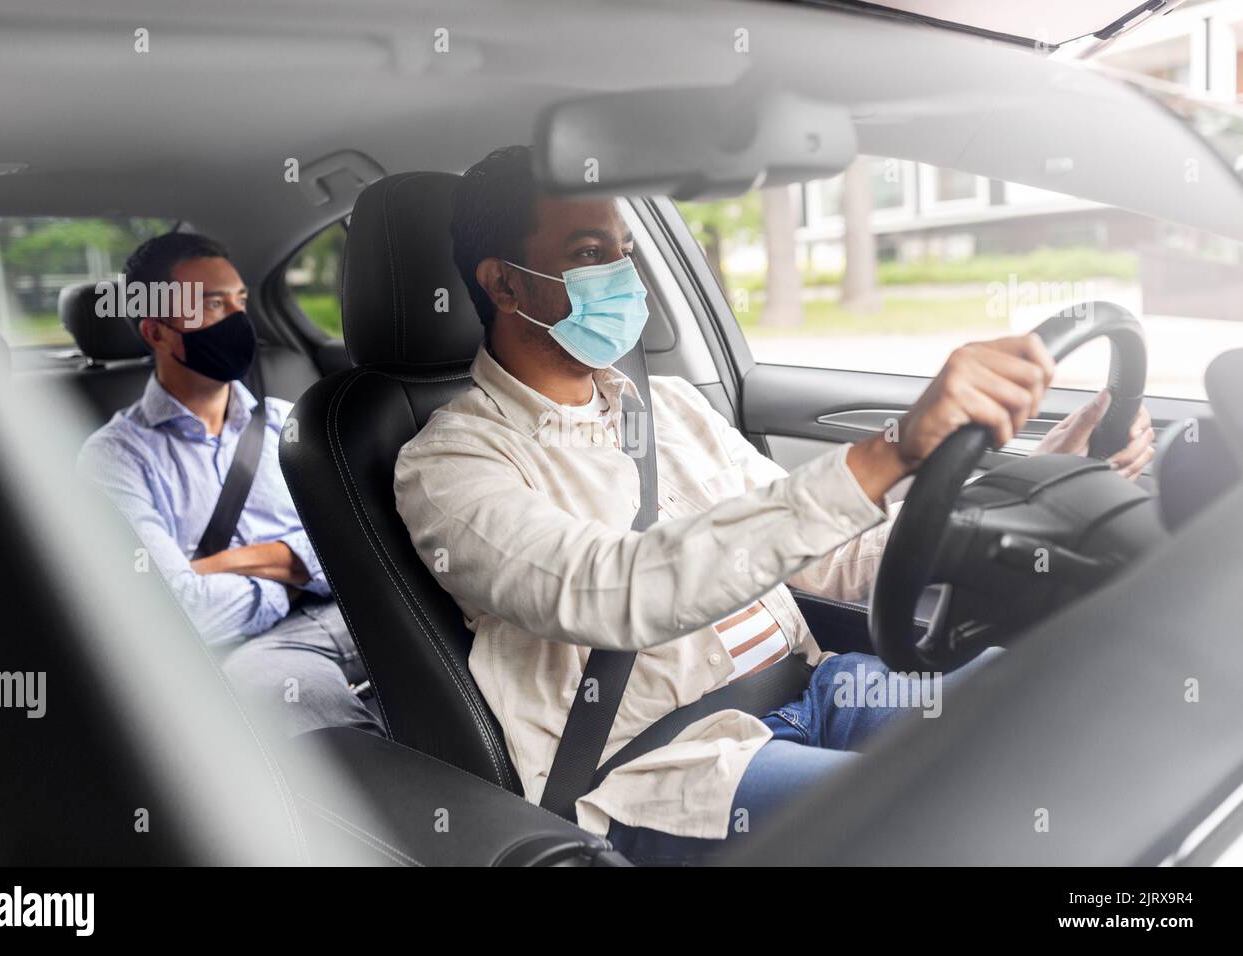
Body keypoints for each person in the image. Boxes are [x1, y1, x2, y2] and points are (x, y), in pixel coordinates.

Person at [392, 145, 1156, 865]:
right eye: (590, 254)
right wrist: (886, 453)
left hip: (815, 685)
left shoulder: (671, 408)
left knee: (1057, 694)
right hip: (668, 768)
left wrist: (1042, 477)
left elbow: (828, 556)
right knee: (937, 819)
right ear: (504, 283)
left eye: (624, 251)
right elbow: (615, 591)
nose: (624, 276)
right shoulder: (450, 464)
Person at [78, 233, 385, 741]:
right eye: (212, 304)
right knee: (341, 753)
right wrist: (294, 576)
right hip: (261, 648)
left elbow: (363, 553)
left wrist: (218, 565)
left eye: (240, 301)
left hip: (357, 612)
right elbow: (179, 615)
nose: (239, 319)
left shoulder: (292, 423)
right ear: (157, 330)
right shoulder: (115, 459)